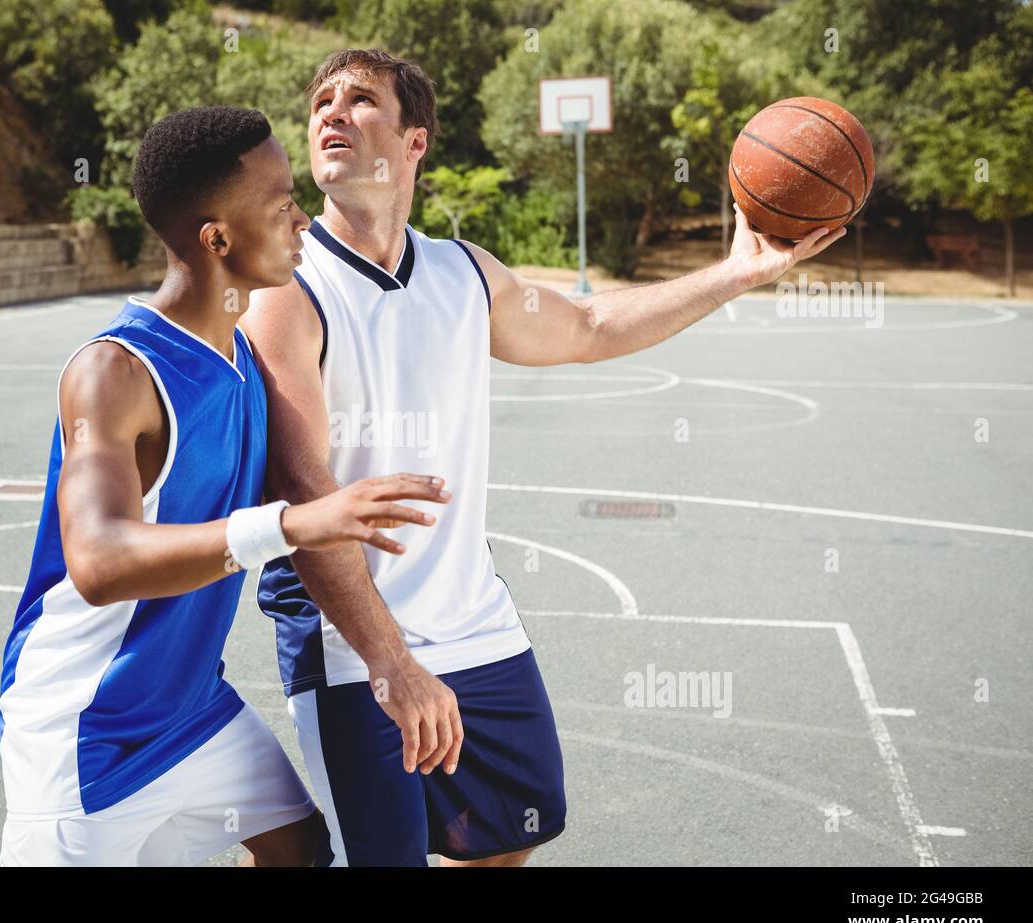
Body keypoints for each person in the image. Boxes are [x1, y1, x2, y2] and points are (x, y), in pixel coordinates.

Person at [242, 49, 845, 867]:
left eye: (360, 99)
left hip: (474, 624)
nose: (331, 113)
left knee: (509, 837)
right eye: (321, 101)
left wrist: (737, 272)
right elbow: (304, 492)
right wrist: (392, 664)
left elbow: (591, 329)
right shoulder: (290, 290)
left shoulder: (463, 273)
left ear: (415, 142)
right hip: (352, 642)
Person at [0, 105, 449, 866]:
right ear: (217, 239)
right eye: (280, 207)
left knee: (304, 852)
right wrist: (296, 524)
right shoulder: (115, 371)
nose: (303, 219)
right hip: (84, 729)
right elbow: (100, 562)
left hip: (192, 710)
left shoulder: (242, 356)